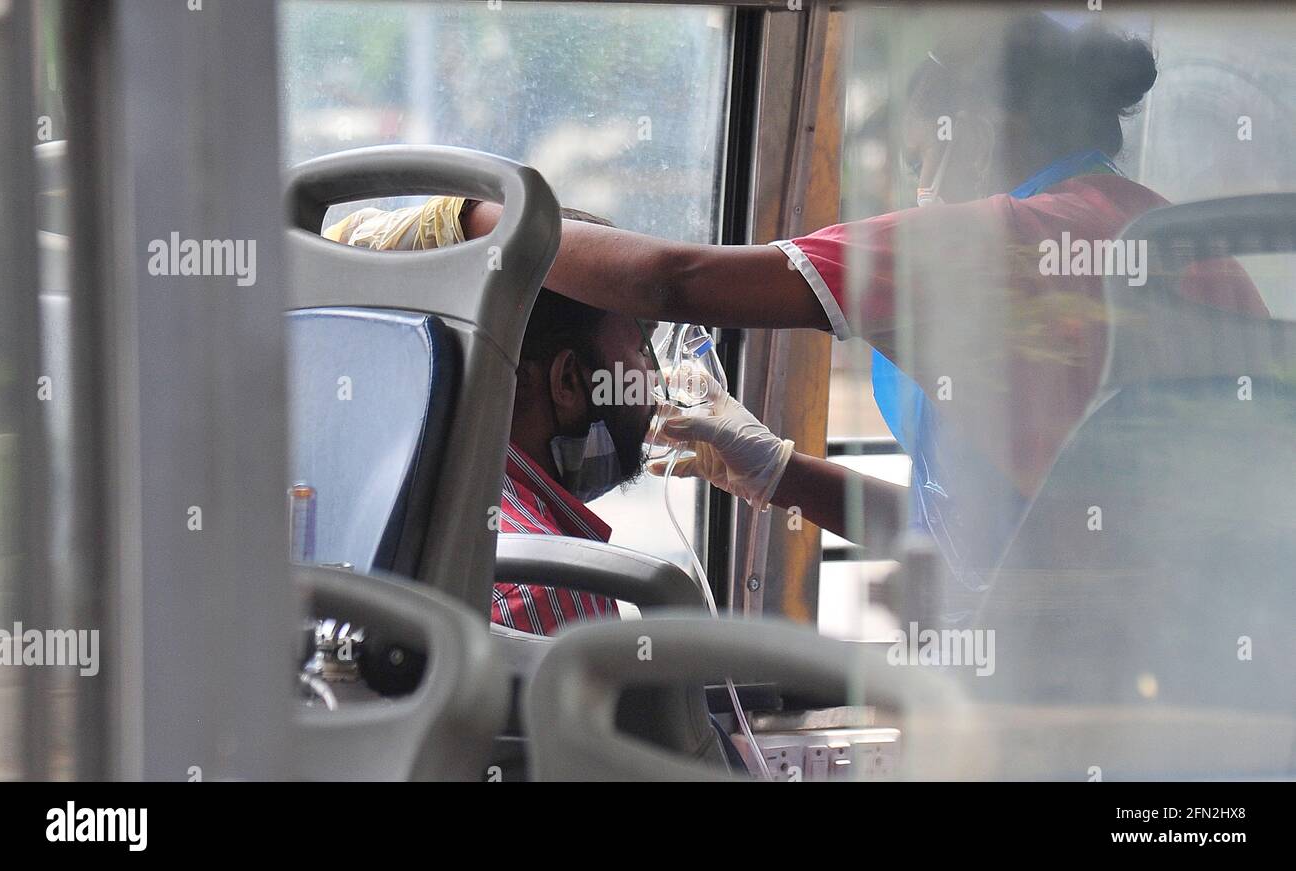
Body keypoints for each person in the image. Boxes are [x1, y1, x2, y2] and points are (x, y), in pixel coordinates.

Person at [457, 14, 1267, 602]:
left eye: (924, 155)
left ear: (981, 129)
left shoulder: (990, 242)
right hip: (1205, 657)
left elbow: (674, 281)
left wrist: (470, 224)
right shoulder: (1190, 250)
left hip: (1085, 676)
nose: (920, 184)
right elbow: (985, 537)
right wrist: (778, 470)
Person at [327, 203, 657, 635]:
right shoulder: (553, 584)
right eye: (638, 349)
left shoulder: (359, 502)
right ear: (569, 383)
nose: (652, 379)